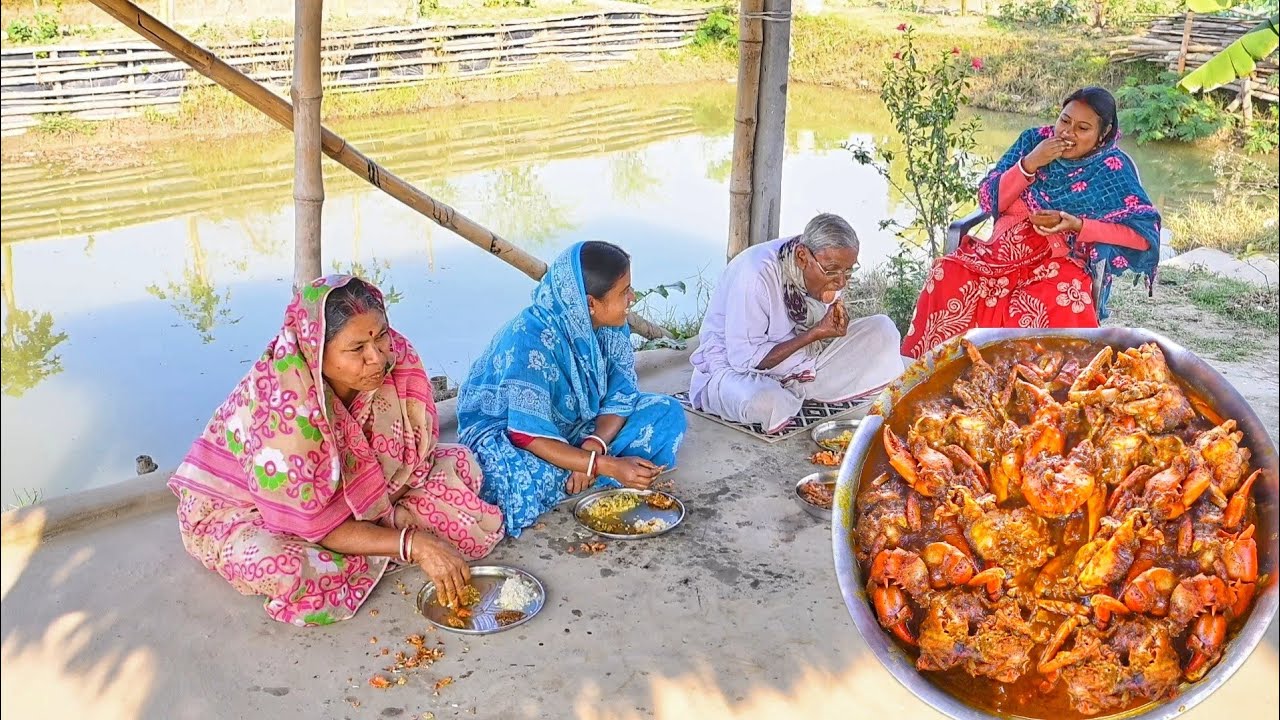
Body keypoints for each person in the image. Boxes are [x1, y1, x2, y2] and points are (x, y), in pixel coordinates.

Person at [168, 276, 504, 626]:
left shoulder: (393, 356)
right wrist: (413, 544)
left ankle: (371, 532)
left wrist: (377, 503)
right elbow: (313, 523)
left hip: (366, 491)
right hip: (254, 510)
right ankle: (376, 536)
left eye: (381, 336)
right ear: (315, 353)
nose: (377, 358)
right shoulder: (284, 405)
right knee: (283, 567)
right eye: (356, 349)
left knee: (461, 465)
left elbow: (416, 452)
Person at [901, 86, 1162, 358]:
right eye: (1064, 120)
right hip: (999, 252)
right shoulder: (1032, 141)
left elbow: (1143, 234)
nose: (1067, 133)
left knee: (1063, 297)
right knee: (947, 273)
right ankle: (938, 371)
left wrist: (1078, 225)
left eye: (1083, 128)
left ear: (1102, 135)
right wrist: (1030, 163)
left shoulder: (1111, 167)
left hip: (1060, 258)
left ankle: (1049, 389)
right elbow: (991, 201)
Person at [457, 241, 687, 538]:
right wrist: (605, 466)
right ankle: (599, 471)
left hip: (578, 428)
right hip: (512, 435)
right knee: (505, 481)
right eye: (623, 293)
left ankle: (583, 469)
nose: (632, 298)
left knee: (667, 414)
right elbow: (527, 434)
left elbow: (621, 394)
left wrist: (594, 446)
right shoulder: (528, 338)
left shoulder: (612, 325)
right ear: (591, 303)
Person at [689, 213, 905, 433]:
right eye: (832, 271)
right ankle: (792, 392)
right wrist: (815, 333)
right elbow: (744, 360)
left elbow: (825, 304)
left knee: (883, 331)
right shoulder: (755, 276)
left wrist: (829, 321)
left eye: (848, 271)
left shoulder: (825, 259)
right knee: (766, 402)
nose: (841, 281)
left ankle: (797, 389)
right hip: (739, 368)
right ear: (802, 257)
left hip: (800, 361)